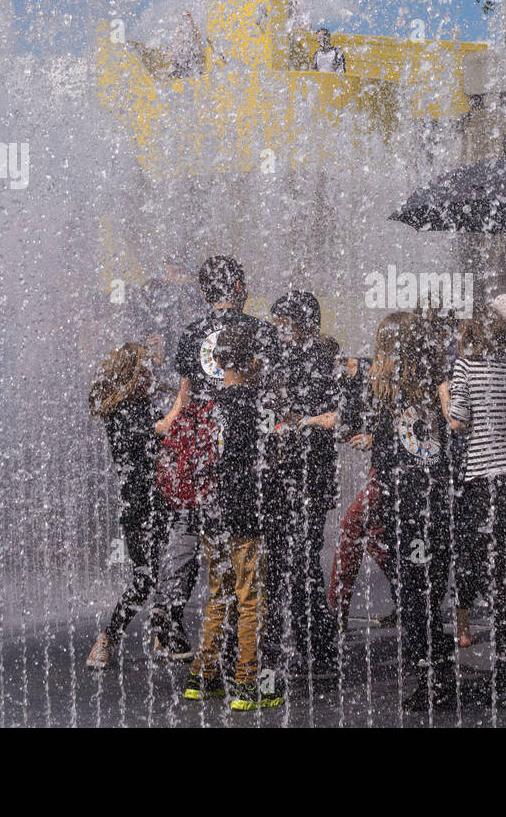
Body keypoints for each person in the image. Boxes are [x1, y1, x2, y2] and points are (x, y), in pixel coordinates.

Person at [152, 256, 280, 659]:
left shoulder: (191, 333)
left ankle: (171, 611)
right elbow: (275, 391)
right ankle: (250, 638)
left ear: (205, 292)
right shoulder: (261, 331)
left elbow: (183, 396)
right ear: (240, 286)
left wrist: (166, 427)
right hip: (246, 444)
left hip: (201, 443)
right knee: (250, 540)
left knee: (190, 526)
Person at [353, 312, 457, 711]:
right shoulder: (429, 386)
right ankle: (437, 673)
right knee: (422, 597)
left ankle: (436, 679)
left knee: (414, 598)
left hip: (411, 508)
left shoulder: (397, 390)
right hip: (431, 504)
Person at [182, 320, 282, 711]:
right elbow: (270, 457)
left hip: (213, 513)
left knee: (218, 594)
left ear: (219, 361)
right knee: (250, 596)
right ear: (253, 361)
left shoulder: (208, 407)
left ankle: (203, 677)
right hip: (246, 512)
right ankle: (247, 682)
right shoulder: (257, 405)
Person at [448, 293, 506, 709]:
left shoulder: (466, 365)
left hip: (481, 483)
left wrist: (445, 397)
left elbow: (458, 423)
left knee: (488, 575)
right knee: (505, 569)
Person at [263, 290, 341, 677]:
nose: (280, 332)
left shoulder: (322, 361)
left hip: (311, 475)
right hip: (286, 473)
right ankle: (303, 644)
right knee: (286, 561)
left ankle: (321, 648)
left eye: (285, 324)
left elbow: (334, 417)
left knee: (301, 561)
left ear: (305, 325)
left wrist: (299, 422)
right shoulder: (286, 358)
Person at [86, 339, 172, 669]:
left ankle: (163, 632)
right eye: (145, 370)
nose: (152, 375)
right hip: (138, 503)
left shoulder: (143, 405)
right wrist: (179, 406)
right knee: (145, 577)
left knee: (170, 570)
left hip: (162, 500)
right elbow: (154, 433)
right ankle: (108, 638)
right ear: (132, 374)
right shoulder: (120, 411)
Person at [327, 347, 400, 628]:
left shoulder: (383, 378)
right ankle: (414, 597)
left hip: (390, 471)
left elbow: (399, 424)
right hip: (384, 470)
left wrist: (374, 439)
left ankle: (337, 607)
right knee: (375, 535)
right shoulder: (358, 384)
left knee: (351, 525)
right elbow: (351, 422)